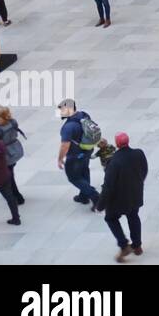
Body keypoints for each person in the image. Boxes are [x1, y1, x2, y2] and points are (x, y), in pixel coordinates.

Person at [97, 132, 147, 261]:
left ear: (117, 144)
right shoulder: (139, 153)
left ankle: (124, 245)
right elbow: (144, 170)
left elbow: (108, 186)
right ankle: (137, 246)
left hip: (118, 200)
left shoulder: (113, 162)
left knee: (110, 218)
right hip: (135, 194)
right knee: (133, 217)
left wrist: (101, 205)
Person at [56, 99, 101, 209]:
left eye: (62, 109)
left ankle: (96, 197)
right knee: (84, 171)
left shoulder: (68, 127)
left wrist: (60, 158)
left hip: (75, 155)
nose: (60, 112)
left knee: (74, 177)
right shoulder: (84, 115)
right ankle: (83, 196)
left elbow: (65, 146)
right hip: (87, 150)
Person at [0, 106, 25, 207]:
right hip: (15, 151)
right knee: (10, 173)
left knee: (8, 177)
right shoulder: (13, 122)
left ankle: (17, 197)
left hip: (6, 155)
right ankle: (15, 194)